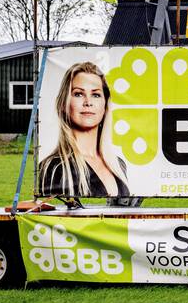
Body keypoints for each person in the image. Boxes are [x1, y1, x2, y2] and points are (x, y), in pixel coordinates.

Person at [39, 61, 131, 203]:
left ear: (105, 105)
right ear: (63, 104)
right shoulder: (54, 167)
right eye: (78, 94)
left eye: (96, 95)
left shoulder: (118, 165)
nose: (88, 102)